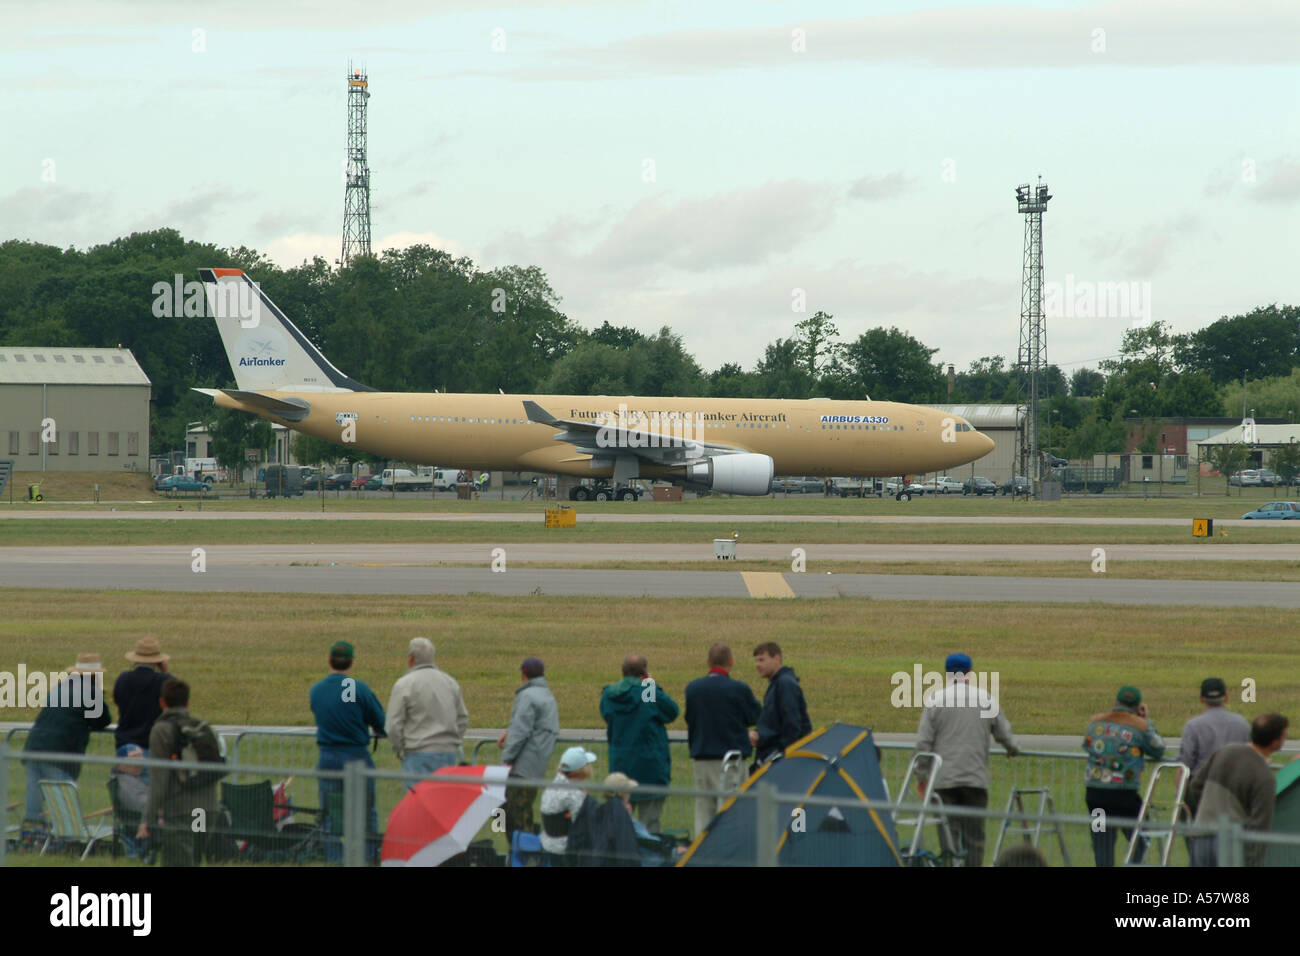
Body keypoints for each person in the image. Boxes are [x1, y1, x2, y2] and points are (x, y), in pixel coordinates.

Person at [914, 652, 1019, 868]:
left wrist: (921, 776)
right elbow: (1004, 734)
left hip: (943, 782)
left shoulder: (936, 700)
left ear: (947, 673)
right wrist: (1013, 749)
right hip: (974, 781)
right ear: (969, 674)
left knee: (948, 839)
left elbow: (923, 743)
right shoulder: (985, 699)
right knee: (974, 839)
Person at [309, 641, 386, 863]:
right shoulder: (357, 688)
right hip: (355, 756)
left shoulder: (317, 689)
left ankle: (335, 857)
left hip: (328, 757)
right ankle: (368, 856)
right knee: (366, 811)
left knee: (329, 811)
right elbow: (380, 721)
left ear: (329, 661)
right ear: (351, 662)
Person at [22, 653, 112, 831]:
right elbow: (102, 720)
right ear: (95, 675)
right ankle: (69, 837)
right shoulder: (90, 691)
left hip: (33, 747)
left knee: (34, 798)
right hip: (59, 753)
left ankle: (31, 836)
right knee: (64, 799)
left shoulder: (60, 687)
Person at [1185, 713, 1289, 867]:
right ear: (1275, 743)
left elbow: (1195, 787)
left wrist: (1209, 811)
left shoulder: (1225, 751)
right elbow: (1259, 826)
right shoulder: (1264, 776)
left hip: (1201, 835)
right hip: (1231, 842)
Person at [137, 679, 218, 866]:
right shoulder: (203, 728)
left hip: (181, 810)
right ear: (188, 703)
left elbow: (159, 780)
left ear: (162, 702)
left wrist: (147, 820)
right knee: (194, 861)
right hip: (207, 811)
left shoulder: (161, 730)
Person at [684, 642, 762, 837]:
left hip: (702, 758)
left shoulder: (693, 689)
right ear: (731, 662)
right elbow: (755, 716)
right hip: (732, 760)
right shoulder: (738, 689)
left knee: (704, 812)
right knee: (733, 811)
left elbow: (690, 718)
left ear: (708, 662)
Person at [1083, 685, 1165, 866]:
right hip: (1124, 797)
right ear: (1138, 708)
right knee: (1142, 836)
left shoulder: (1095, 723)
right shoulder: (1140, 726)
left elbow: (1086, 746)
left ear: (1115, 703)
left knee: (1101, 842)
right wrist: (1146, 720)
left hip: (1095, 797)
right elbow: (1158, 748)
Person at [599, 653, 679, 833]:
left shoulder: (610, 694)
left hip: (620, 766)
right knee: (649, 826)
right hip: (649, 768)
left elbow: (607, 715)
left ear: (623, 671)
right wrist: (651, 685)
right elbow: (671, 711)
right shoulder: (647, 692)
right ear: (644, 672)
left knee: (619, 827)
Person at [385, 637, 468, 790]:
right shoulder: (450, 682)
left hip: (417, 753)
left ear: (411, 658)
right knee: (444, 806)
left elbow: (393, 725)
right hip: (447, 753)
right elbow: (462, 719)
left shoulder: (404, 684)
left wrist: (401, 749)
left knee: (418, 807)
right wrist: (453, 742)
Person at [496, 657, 559, 841]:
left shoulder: (527, 696)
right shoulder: (547, 696)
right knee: (516, 813)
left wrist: (507, 758)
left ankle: (521, 855)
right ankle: (520, 851)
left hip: (521, 769)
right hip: (536, 767)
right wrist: (510, 731)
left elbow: (521, 731)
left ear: (523, 674)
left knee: (515, 817)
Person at [749, 642, 811, 769]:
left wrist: (783, 757)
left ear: (777, 658)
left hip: (781, 762)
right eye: (756, 661)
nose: (757, 665)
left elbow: (792, 724)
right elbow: (774, 724)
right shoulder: (777, 684)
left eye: (762, 660)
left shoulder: (785, 684)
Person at [113, 637, 174, 754]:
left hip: (125, 745)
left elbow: (117, 700)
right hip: (152, 745)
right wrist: (166, 672)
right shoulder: (163, 681)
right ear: (158, 660)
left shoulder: (123, 678)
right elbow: (176, 695)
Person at [1179, 677, 1249, 776]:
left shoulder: (1193, 726)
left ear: (1201, 699)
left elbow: (1186, 762)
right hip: (1235, 784)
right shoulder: (1242, 723)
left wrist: (1180, 789)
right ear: (1226, 697)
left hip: (1201, 784)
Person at [539, 746, 597, 861]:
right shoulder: (574, 794)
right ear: (582, 769)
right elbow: (584, 826)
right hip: (567, 851)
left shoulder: (551, 787)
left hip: (548, 846)